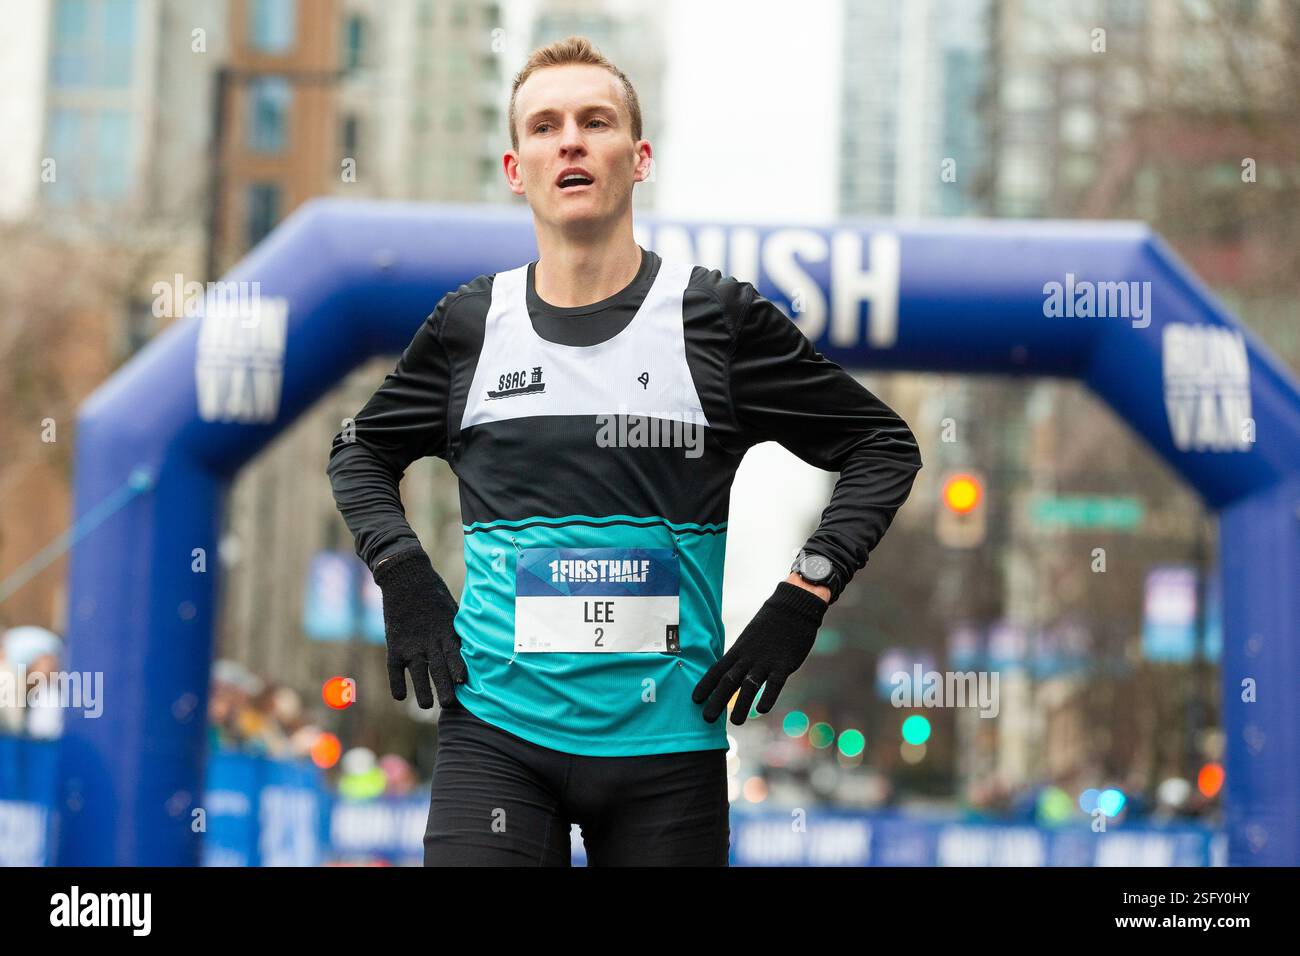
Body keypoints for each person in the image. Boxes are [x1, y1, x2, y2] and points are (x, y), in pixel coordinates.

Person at [326, 35, 922, 867]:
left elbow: (882, 444)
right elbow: (357, 451)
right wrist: (405, 576)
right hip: (498, 737)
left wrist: (803, 594)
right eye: (545, 126)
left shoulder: (714, 320)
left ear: (638, 158)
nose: (569, 139)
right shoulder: (469, 326)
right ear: (515, 167)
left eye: (594, 121)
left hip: (667, 756)